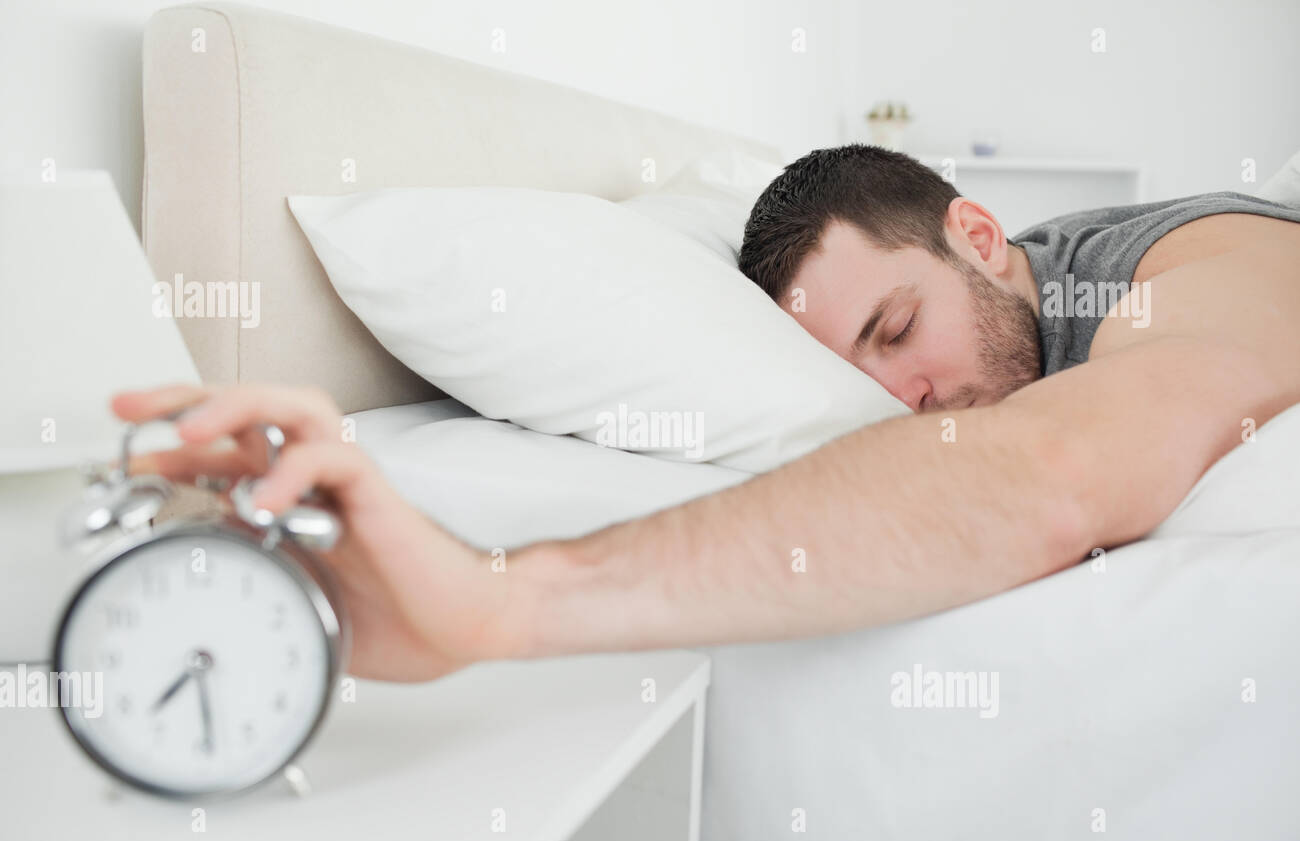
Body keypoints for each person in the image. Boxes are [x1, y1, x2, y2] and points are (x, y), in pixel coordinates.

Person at [114, 146, 1300, 683]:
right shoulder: (993, 307)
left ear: (980, 238)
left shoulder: (1200, 265)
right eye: (856, 369)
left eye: (894, 329)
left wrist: (499, 598)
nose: (900, 400)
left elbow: (1050, 468)